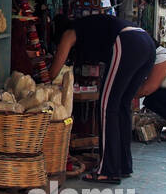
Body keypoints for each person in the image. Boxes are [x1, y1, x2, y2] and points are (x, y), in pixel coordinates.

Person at [49, 12, 156, 184]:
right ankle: (123, 164)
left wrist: (43, 79)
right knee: (121, 105)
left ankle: (107, 170)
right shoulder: (91, 26)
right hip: (146, 43)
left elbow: (54, 70)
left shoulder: (71, 31)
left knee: (106, 107)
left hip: (127, 41)